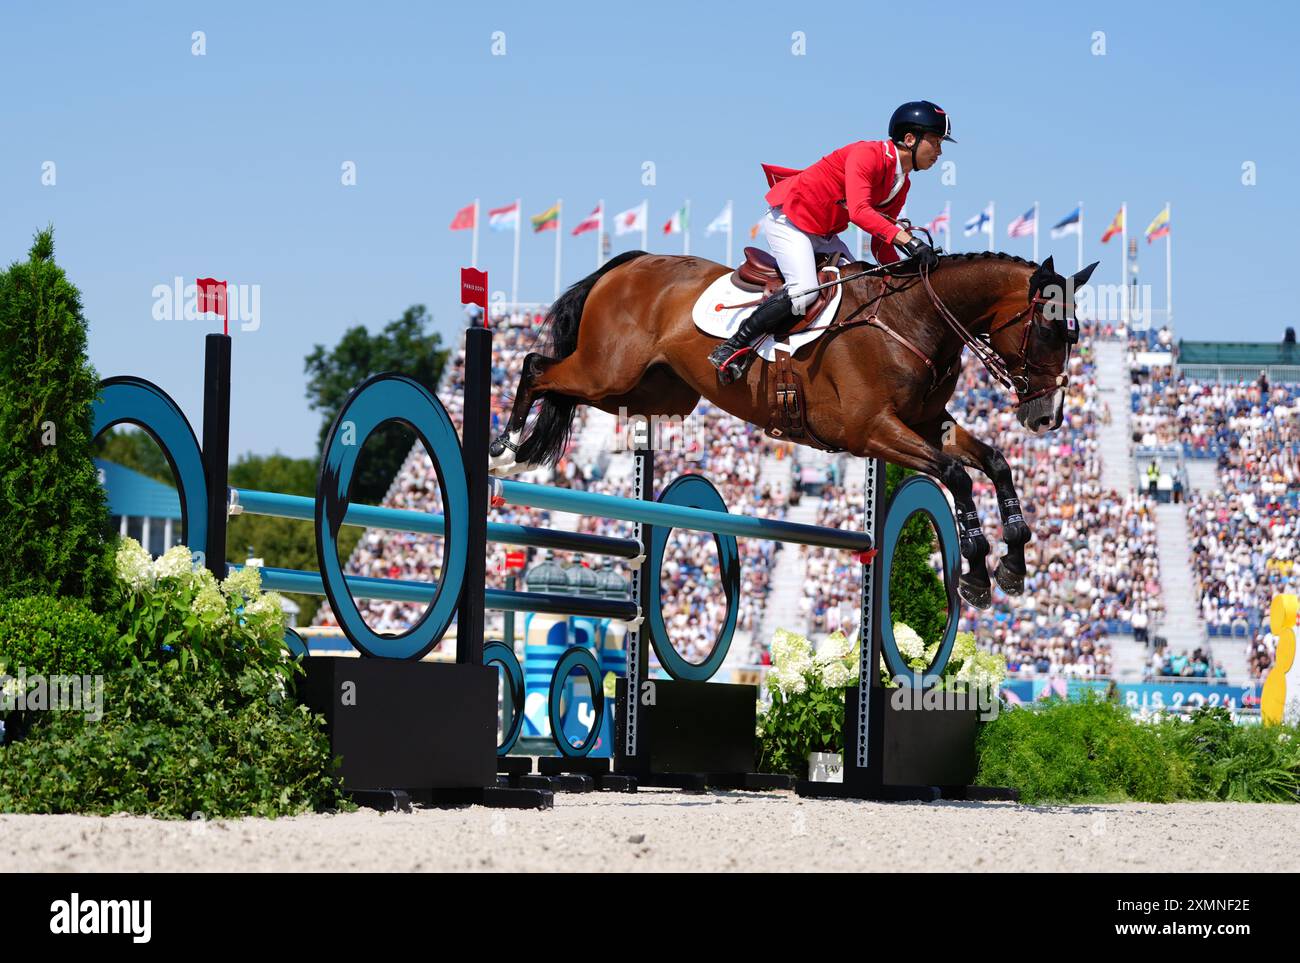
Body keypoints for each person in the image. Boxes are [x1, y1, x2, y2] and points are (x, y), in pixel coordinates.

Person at [707, 100, 954, 385]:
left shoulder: (902, 183)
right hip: (790, 220)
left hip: (823, 235)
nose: (939, 152)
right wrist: (910, 242)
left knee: (861, 291)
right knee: (805, 292)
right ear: (910, 139)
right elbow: (861, 212)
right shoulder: (868, 155)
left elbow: (880, 242)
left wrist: (900, 272)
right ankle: (733, 346)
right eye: (935, 142)